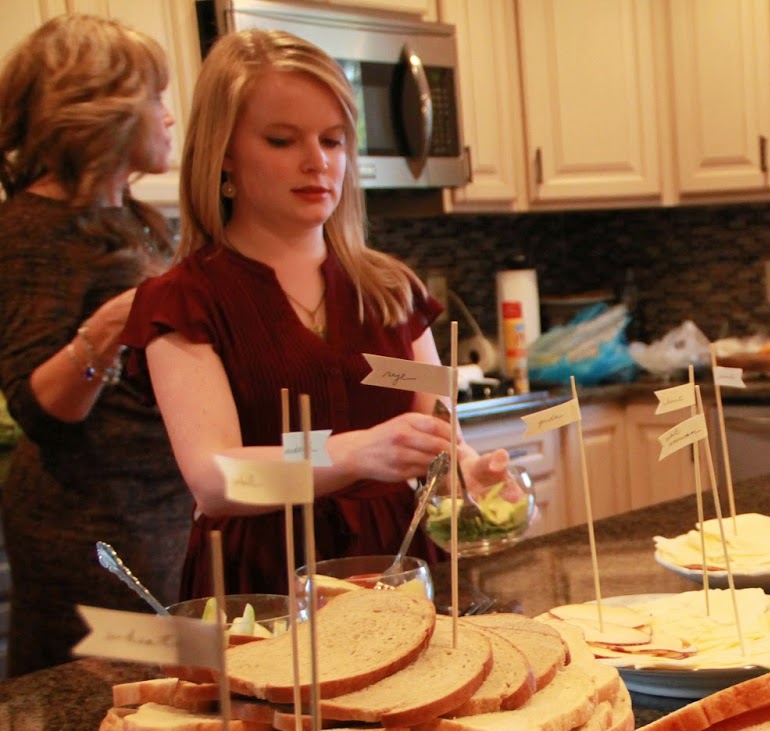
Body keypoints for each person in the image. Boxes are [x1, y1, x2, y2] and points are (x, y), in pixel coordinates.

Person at [124, 29, 507, 598]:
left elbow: (436, 427)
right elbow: (215, 476)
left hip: (399, 572)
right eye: (282, 140)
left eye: (333, 141)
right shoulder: (184, 300)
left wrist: (469, 474)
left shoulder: (390, 289)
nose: (317, 162)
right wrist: (353, 450)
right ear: (223, 152)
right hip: (269, 583)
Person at [0, 15, 193, 676]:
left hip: (155, 513)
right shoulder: (29, 229)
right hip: (87, 534)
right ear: (100, 113)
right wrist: (112, 323)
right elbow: (40, 408)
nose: (169, 118)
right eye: (155, 98)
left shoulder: (134, 217)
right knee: (94, 729)